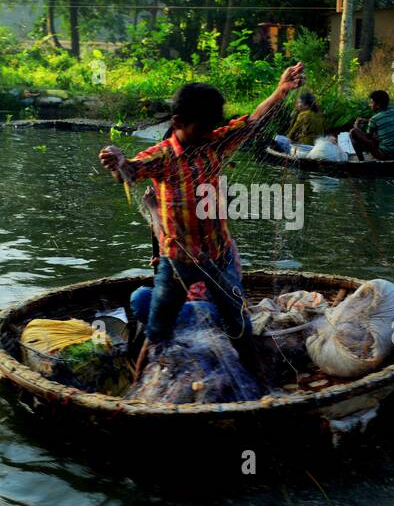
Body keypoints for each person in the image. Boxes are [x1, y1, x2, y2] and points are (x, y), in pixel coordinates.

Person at [99, 63, 305, 379]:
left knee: (239, 326)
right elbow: (129, 172)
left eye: (213, 127)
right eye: (202, 127)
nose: (209, 133)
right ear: (178, 122)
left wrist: (280, 90)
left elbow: (251, 122)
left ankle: (259, 383)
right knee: (157, 332)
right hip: (177, 262)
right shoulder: (162, 157)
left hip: (219, 258)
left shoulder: (214, 142)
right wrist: (116, 160)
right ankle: (137, 390)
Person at [349, 89, 394, 161]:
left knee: (353, 133)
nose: (370, 105)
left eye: (371, 103)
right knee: (377, 135)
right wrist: (367, 120)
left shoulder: (375, 119)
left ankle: (361, 161)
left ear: (377, 105)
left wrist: (356, 127)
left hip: (385, 154)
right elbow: (383, 120)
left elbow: (367, 139)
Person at [273, 91, 326, 155]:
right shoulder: (319, 115)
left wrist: (290, 138)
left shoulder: (303, 114)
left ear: (306, 105)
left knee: (278, 138)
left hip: (304, 148)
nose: (297, 105)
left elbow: (292, 133)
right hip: (317, 147)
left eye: (299, 102)